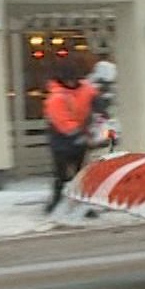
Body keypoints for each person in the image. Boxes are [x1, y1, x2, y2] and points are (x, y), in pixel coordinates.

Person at [43, 57, 101, 213]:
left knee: (80, 175)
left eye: (74, 79)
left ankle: (82, 205)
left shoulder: (85, 90)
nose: (71, 83)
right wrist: (80, 136)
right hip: (60, 140)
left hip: (80, 137)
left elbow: (96, 100)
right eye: (68, 80)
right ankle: (56, 202)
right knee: (61, 174)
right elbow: (63, 122)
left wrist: (100, 111)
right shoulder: (56, 97)